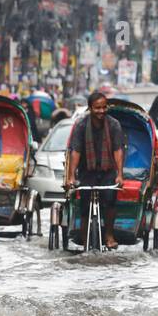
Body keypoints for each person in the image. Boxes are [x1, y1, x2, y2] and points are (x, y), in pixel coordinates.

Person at [64, 90, 125, 250]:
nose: (101, 111)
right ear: (90, 108)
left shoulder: (114, 125)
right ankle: (85, 240)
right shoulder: (81, 125)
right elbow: (75, 151)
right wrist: (71, 176)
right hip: (87, 170)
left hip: (108, 170)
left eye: (104, 107)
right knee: (84, 206)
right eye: (97, 108)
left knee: (110, 200)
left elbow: (118, 150)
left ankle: (109, 235)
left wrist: (120, 174)